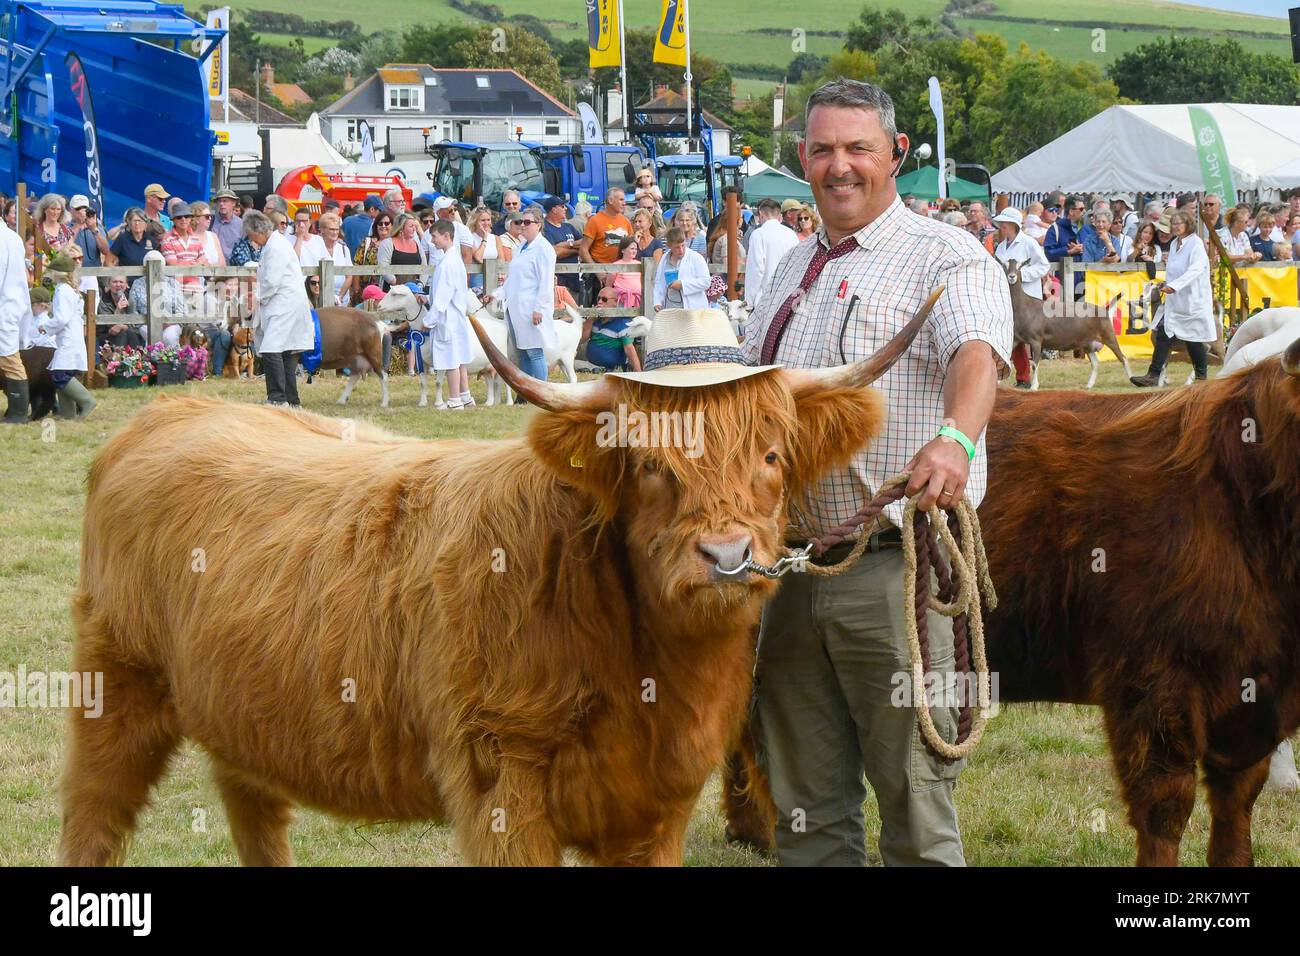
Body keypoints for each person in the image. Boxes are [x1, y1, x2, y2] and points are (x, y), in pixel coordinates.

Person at [740, 77, 1012, 868]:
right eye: (823, 149)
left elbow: (976, 355)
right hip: (788, 572)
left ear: (896, 154)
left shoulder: (948, 256)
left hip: (891, 572)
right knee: (803, 808)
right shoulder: (790, 267)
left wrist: (956, 442)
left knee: (915, 804)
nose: (840, 166)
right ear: (802, 159)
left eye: (859, 148)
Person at [1131, 209, 1215, 387]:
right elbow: (1173, 270)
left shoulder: (1196, 244)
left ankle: (1201, 378)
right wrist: (1166, 285)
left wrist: (1174, 286)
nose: (1175, 226)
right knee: (1164, 333)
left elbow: (1196, 270)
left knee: (1193, 339)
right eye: (1173, 223)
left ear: (1188, 225)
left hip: (1192, 300)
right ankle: (1153, 375)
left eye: (1179, 223)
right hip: (1175, 301)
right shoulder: (1175, 243)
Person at [244, 210, 313, 406]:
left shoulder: (275, 247)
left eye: (251, 236)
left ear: (258, 231)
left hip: (285, 304)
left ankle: (277, 398)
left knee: (271, 348)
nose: (251, 240)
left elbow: (271, 282)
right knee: (285, 353)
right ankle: (292, 401)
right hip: (284, 303)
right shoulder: (273, 244)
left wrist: (256, 297)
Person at [497, 205, 556, 389]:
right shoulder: (521, 246)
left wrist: (539, 308)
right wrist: (496, 295)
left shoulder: (544, 249)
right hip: (515, 307)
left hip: (532, 308)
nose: (523, 225)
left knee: (534, 351)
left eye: (528, 222)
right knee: (522, 352)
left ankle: (541, 391)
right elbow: (512, 279)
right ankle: (525, 392)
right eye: (521, 221)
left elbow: (545, 282)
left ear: (539, 224)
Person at [992, 207, 1049, 389]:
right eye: (1001, 223)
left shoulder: (1029, 243)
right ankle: (1022, 377)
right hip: (1008, 299)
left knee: (1030, 337)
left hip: (1029, 299)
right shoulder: (1001, 247)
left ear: (1013, 225)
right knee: (1012, 336)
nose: (1001, 226)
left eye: (1004, 223)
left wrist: (1021, 274)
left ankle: (1031, 376)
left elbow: (1044, 265)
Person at [424, 219, 476, 410]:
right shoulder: (453, 260)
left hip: (447, 316)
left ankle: (454, 400)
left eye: (435, 237)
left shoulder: (448, 263)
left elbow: (442, 297)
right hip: (455, 315)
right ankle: (466, 396)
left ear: (447, 236)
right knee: (459, 358)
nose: (433, 241)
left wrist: (428, 321)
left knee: (451, 359)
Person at [38, 253, 96, 419]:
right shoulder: (69, 290)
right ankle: (68, 414)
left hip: (68, 340)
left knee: (59, 375)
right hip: (71, 338)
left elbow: (62, 318)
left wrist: (46, 327)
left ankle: (87, 401)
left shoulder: (62, 291)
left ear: (58, 273)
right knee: (64, 375)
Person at [0, 214, 30, 423]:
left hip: (5, 304)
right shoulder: (12, 236)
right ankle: (17, 411)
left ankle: (19, 413)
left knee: (10, 359)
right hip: (14, 302)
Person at [744, 197, 799, 310]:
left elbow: (756, 269)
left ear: (761, 213)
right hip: (787, 296)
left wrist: (749, 301)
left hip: (765, 298)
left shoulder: (758, 234)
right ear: (779, 215)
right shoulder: (791, 234)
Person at [653, 226, 710, 312]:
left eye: (683, 245)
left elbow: (706, 282)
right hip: (670, 308)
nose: (681, 250)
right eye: (677, 247)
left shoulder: (696, 258)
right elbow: (659, 283)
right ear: (669, 246)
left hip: (693, 309)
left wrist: (683, 284)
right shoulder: (664, 259)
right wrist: (657, 302)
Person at [586, 287, 643, 372]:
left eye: (604, 299)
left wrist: (639, 374)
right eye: (598, 299)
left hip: (612, 371)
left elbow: (630, 350)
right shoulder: (594, 319)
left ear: (616, 302)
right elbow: (582, 340)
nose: (599, 302)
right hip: (589, 366)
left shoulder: (623, 323)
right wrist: (590, 320)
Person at [300, 211, 351, 304]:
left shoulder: (344, 249)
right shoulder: (315, 247)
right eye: (331, 229)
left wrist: (340, 297)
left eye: (337, 229)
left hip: (343, 299)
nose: (335, 232)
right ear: (322, 229)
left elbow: (349, 276)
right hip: (320, 296)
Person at [343, 212, 390, 304]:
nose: (383, 226)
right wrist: (356, 289)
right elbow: (357, 265)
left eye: (387, 223)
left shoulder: (394, 244)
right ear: (376, 226)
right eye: (380, 223)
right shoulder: (367, 242)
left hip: (385, 289)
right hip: (365, 290)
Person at [379, 212, 428, 292]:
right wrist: (396, 283)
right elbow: (383, 267)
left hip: (414, 291)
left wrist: (420, 285)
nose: (414, 229)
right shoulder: (387, 243)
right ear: (401, 228)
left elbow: (424, 267)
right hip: (392, 291)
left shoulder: (417, 244)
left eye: (414, 226)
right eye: (411, 226)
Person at [608, 236, 643, 308]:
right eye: (632, 249)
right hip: (621, 300)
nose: (634, 251)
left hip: (638, 299)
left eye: (636, 249)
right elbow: (608, 286)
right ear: (623, 250)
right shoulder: (615, 265)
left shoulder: (640, 264)